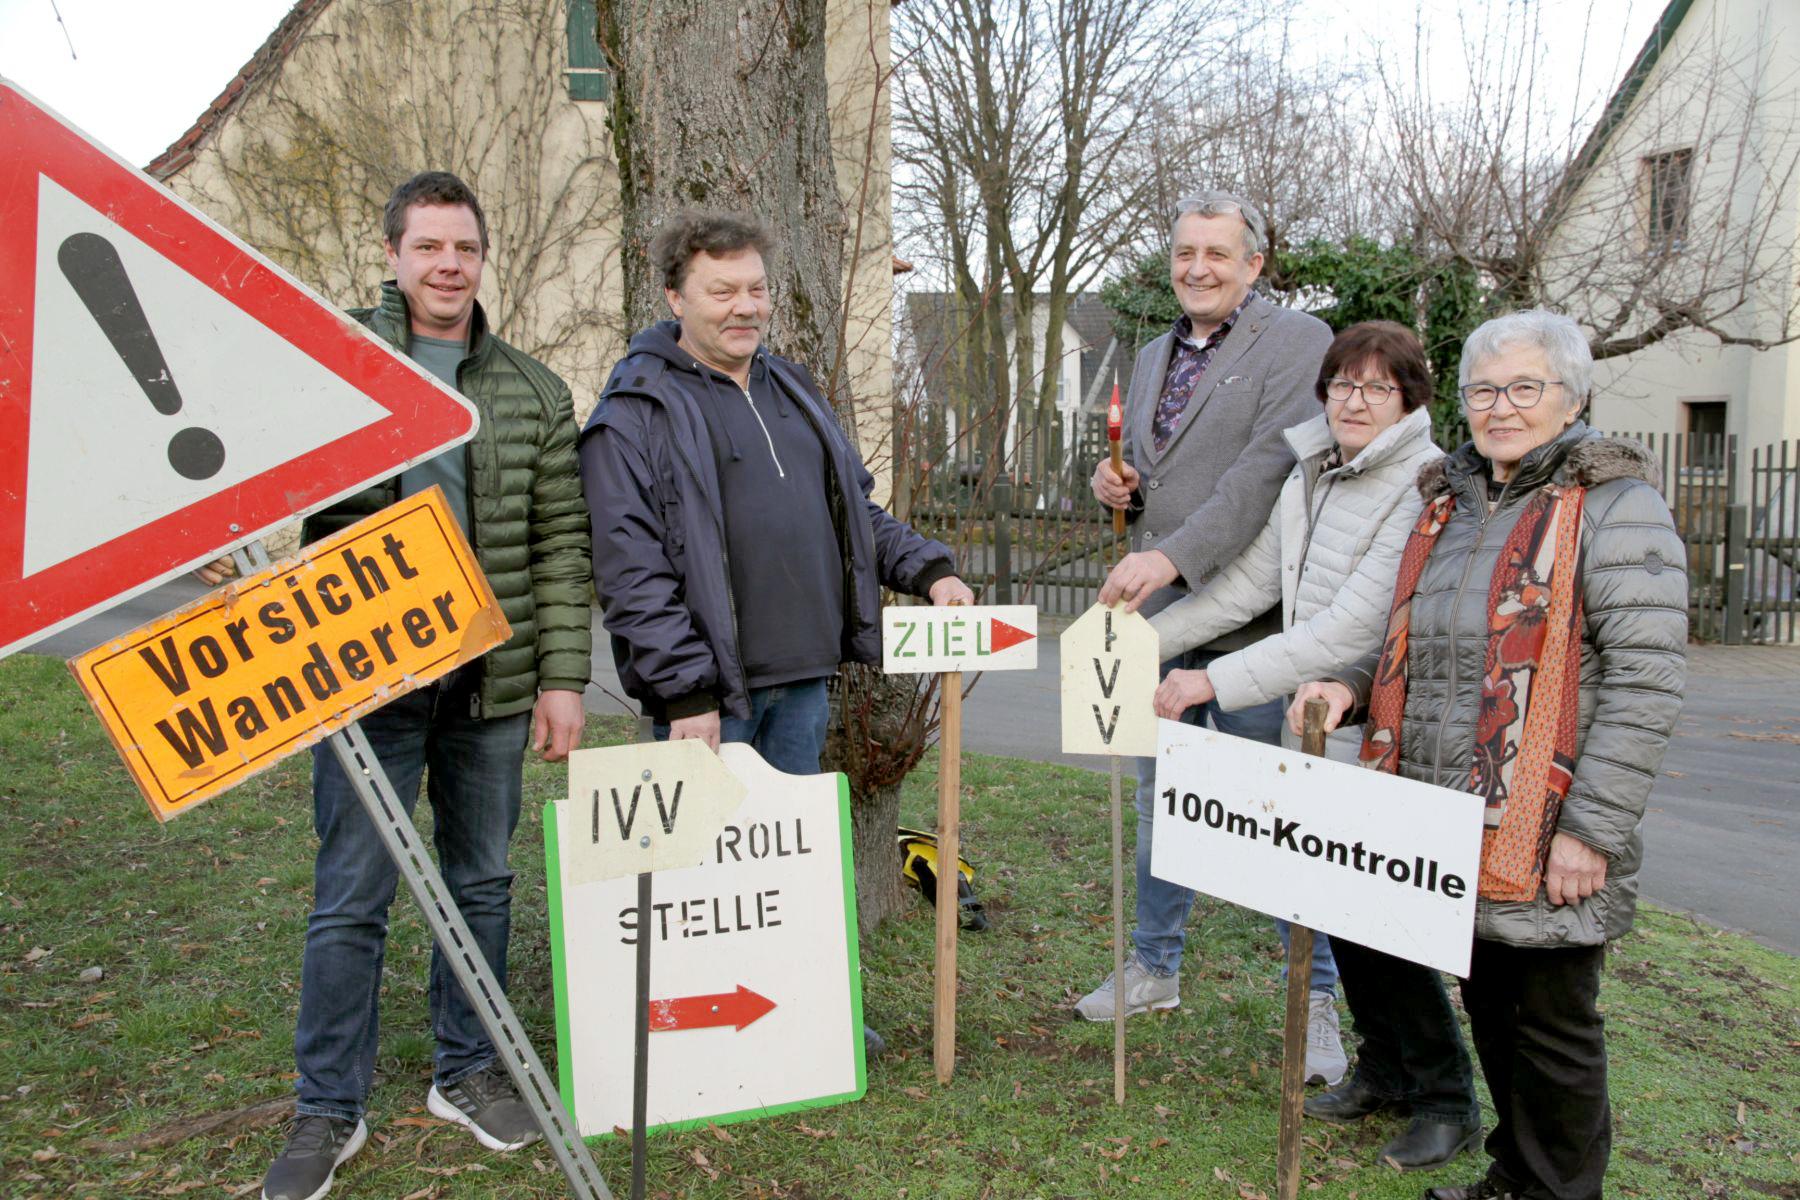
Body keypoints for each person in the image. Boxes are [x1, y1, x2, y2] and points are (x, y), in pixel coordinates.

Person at [218, 172, 595, 1200]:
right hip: (363, 682)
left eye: (463, 248)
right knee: (352, 897)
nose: (446, 266)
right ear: (392, 254)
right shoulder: (335, 367)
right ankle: (325, 1108)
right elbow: (247, 480)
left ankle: (467, 1073)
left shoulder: (534, 391)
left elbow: (563, 546)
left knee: (481, 883)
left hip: (493, 683)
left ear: (481, 258)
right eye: (427, 247)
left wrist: (565, 676)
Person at [1289, 310, 1687, 1200]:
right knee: (1495, 1008)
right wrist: (1350, 683)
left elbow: (1647, 680)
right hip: (1443, 807)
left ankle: (1553, 1190)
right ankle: (1516, 1177)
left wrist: (1593, 828)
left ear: (1573, 397)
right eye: (1482, 390)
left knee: (1549, 1022)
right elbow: (1415, 635)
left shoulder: (1618, 508)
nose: (1500, 408)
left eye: (1524, 388)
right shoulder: (1450, 502)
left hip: (1547, 820)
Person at [1147, 320, 1471, 1170]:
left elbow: (1348, 624)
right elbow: (1251, 585)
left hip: (1394, 712)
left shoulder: (1419, 481)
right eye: (1341, 385)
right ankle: (1388, 1069)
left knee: (1389, 907)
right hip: (1334, 714)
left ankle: (1447, 1097)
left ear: (1408, 401)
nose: (1353, 401)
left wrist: (1212, 681)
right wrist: (1142, 642)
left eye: (1375, 389)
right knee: (1342, 899)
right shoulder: (1315, 468)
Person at [1078, 191, 1344, 1082]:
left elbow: (1264, 473)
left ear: (1255, 263)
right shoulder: (1154, 353)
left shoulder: (1301, 344)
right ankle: (1155, 966)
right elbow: (1160, 476)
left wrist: (1173, 559)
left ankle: (1318, 999)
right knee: (1163, 802)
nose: (1198, 268)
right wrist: (1118, 489)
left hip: (1255, 623)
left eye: (1218, 254)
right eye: (1185, 251)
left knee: (1282, 812)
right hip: (1165, 620)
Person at [579, 208, 972, 774]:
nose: (746, 306)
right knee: (705, 864)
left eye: (756, 289)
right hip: (708, 704)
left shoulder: (793, 387)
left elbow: (851, 514)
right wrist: (685, 691)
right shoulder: (636, 412)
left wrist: (932, 572)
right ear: (674, 298)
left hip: (805, 686)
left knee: (789, 864)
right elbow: (628, 568)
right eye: (722, 292)